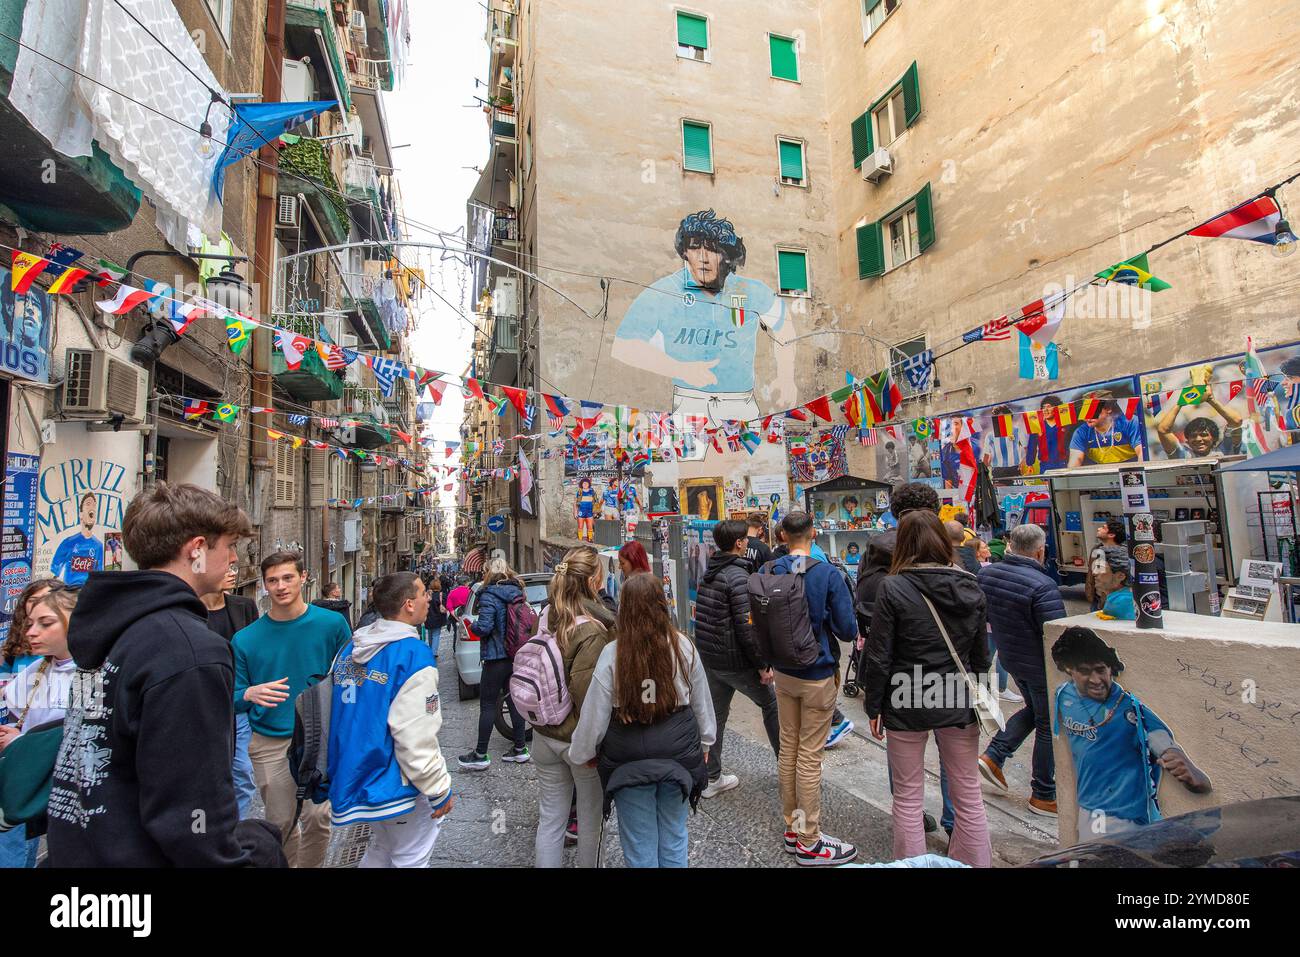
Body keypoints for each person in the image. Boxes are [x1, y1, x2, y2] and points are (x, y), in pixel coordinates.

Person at [47, 482, 280, 867]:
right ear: (198, 550)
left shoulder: (113, 628)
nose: (234, 558)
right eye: (229, 546)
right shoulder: (188, 651)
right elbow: (193, 809)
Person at [862, 510, 993, 867]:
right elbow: (981, 654)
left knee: (907, 796)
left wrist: (874, 705)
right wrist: (981, 695)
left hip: (907, 694)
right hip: (956, 693)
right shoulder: (970, 583)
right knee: (968, 792)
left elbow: (879, 653)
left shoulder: (893, 586)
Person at [569, 573, 715, 868]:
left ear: (625, 609)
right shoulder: (683, 647)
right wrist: (706, 742)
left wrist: (583, 752)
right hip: (677, 754)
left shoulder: (613, 654)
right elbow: (702, 701)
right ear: (662, 606)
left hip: (628, 757)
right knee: (674, 837)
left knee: (639, 844)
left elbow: (595, 712)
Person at [611, 209, 797, 433]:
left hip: (740, 405)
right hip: (690, 403)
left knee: (748, 467)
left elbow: (784, 324)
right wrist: (680, 369)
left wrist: (786, 378)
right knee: (692, 466)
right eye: (695, 247)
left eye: (712, 248)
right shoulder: (664, 291)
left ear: (726, 255)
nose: (703, 257)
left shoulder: (751, 291)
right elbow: (624, 345)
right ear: (685, 252)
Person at [327, 573, 454, 867]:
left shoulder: (350, 649)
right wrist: (438, 788)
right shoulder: (413, 655)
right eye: (424, 593)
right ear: (409, 604)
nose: (430, 599)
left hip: (359, 773)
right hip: (396, 782)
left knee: (382, 849)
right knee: (411, 857)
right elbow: (415, 735)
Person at [234, 551, 350, 868]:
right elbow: (230, 696)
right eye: (273, 580)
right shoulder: (245, 639)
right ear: (264, 585)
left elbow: (351, 677)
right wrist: (250, 694)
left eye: (287, 577)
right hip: (270, 742)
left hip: (320, 739)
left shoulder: (332, 624)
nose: (281, 586)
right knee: (281, 824)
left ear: (303, 577)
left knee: (318, 816)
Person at [1051, 627, 1211, 837]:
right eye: (1085, 671)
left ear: (1111, 668)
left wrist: (1183, 767)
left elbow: (1164, 746)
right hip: (1087, 812)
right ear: (1069, 669)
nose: (1096, 680)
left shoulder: (1132, 712)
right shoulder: (1064, 695)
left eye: (1100, 670)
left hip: (1124, 822)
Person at [767, 511, 859, 865]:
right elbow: (848, 629)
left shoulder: (771, 570)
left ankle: (793, 827)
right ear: (814, 533)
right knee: (809, 756)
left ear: (783, 536)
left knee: (788, 749)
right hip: (817, 672)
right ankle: (809, 840)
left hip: (783, 672)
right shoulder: (825, 574)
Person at [529, 548, 616, 868]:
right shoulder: (593, 629)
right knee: (592, 825)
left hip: (543, 734)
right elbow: (588, 695)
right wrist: (593, 745)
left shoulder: (546, 614)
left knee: (550, 821)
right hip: (577, 741)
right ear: (594, 582)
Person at [975, 524, 1067, 818]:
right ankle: (1043, 793)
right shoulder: (1042, 585)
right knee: (1046, 722)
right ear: (1040, 551)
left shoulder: (988, 574)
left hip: (1011, 657)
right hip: (1038, 663)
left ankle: (995, 755)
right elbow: (1056, 634)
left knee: (1037, 711)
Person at [693, 520, 778, 799]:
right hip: (733, 661)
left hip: (712, 658)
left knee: (716, 715)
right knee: (771, 703)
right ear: (739, 543)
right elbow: (747, 627)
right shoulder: (737, 576)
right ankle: (789, 767)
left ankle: (712, 777)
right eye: (744, 540)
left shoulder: (711, 570)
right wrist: (762, 665)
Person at [0, 586, 78, 867]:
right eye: (30, 622)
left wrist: (21, 743)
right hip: (32, 788)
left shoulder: (92, 674)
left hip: (66, 798)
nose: (31, 631)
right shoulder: (37, 670)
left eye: (46, 623)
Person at [200, 562, 260, 819]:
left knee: (242, 774)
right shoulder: (187, 611)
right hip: (203, 704)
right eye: (225, 567)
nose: (232, 572)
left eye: (234, 567)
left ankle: (236, 829)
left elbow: (256, 649)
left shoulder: (243, 607)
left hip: (238, 704)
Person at [458, 557, 530, 769]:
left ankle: (480, 754)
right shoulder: (517, 593)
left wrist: (473, 626)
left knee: (488, 704)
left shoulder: (489, 595)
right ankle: (520, 749)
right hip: (514, 655)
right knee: (513, 701)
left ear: (489, 573)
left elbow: (486, 626)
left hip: (495, 656)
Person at [1155, 365, 1244, 458]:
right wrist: (1181, 402)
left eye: (1204, 435)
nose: (1198, 439)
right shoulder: (1183, 455)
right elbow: (1163, 430)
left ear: (1214, 438)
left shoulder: (1225, 450)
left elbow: (1236, 421)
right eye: (1193, 436)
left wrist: (1212, 400)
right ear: (1187, 441)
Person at [1067, 390, 1144, 467]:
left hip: (1129, 471)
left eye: (1092, 410)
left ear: (1108, 409)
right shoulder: (1081, 432)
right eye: (1084, 411)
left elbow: (1142, 453)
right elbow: (1075, 460)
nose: (1087, 416)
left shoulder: (1130, 422)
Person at [49, 493, 103, 587]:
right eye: (88, 504)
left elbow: (99, 573)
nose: (92, 508)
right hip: (70, 592)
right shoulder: (69, 542)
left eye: (94, 505)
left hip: (88, 592)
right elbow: (55, 570)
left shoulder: (98, 545)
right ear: (80, 514)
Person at [1086, 518, 1129, 611]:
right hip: (1097, 597)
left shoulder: (1120, 554)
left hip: (1112, 596)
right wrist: (1090, 593)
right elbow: (1091, 573)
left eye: (1103, 528)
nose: (1098, 529)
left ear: (1111, 534)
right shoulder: (1097, 549)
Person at [422, 573, 448, 652]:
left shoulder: (427, 595)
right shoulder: (441, 595)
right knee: (436, 635)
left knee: (430, 634)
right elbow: (445, 605)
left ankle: (431, 649)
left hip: (428, 618)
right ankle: (433, 652)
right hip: (438, 618)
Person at [575, 477, 596, 542]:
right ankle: (580, 540)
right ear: (581, 484)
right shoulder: (579, 492)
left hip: (589, 512)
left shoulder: (592, 492)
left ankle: (590, 539)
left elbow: (596, 502)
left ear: (589, 484)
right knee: (580, 527)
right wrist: (575, 512)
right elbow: (575, 503)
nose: (585, 484)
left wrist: (595, 512)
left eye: (586, 483)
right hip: (581, 512)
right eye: (584, 483)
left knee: (590, 526)